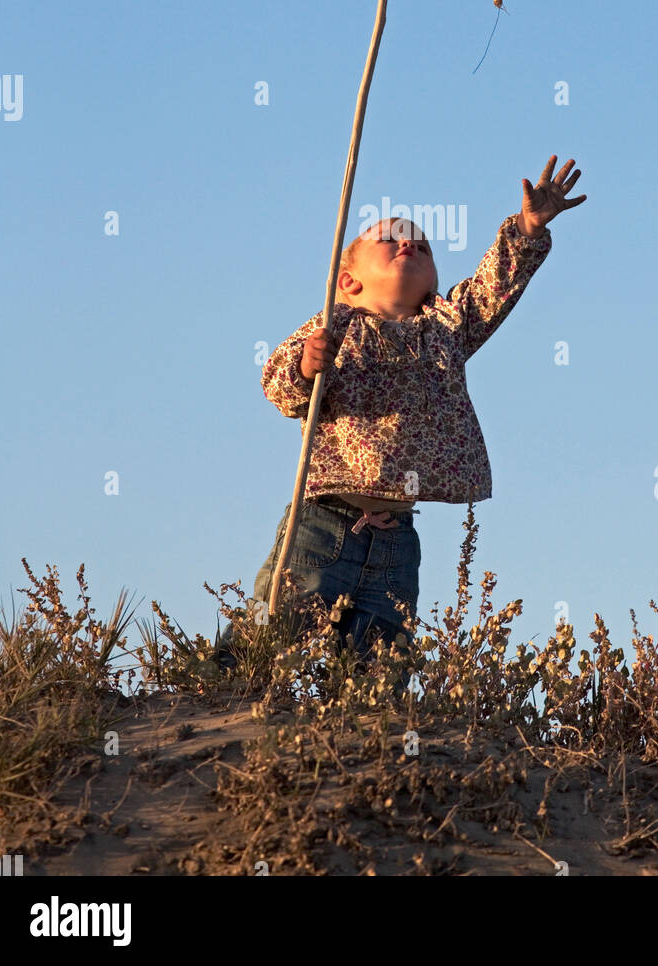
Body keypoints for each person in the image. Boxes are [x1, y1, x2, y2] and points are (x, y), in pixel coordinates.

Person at [214, 155, 586, 681]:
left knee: (381, 661)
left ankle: (368, 739)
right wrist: (304, 366)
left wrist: (526, 228)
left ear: (434, 282)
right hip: (323, 522)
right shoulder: (334, 324)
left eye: (423, 245)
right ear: (348, 281)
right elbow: (277, 384)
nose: (409, 242)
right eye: (391, 240)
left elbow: (489, 290)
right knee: (274, 631)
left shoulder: (445, 329)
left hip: (397, 539)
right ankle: (218, 701)